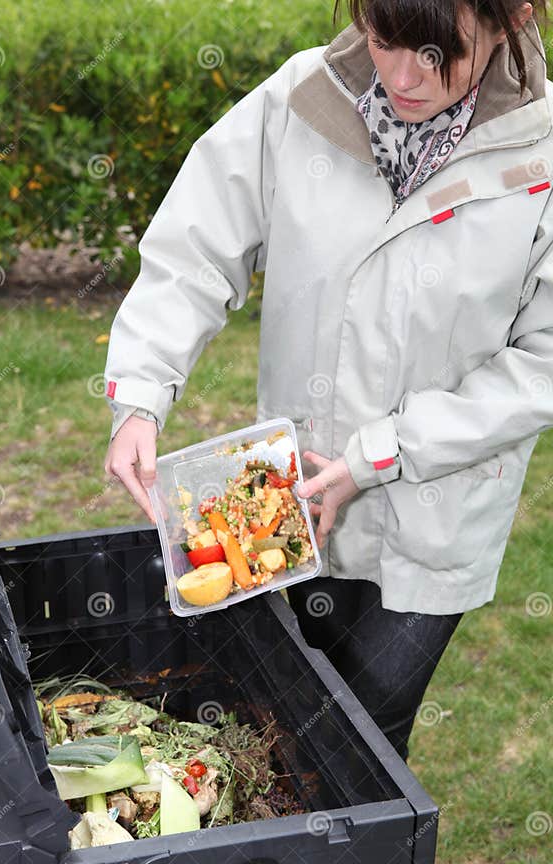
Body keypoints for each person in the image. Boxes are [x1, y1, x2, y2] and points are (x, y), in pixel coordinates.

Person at [104, 0, 553, 761]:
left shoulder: (539, 158)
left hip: (432, 520)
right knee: (275, 724)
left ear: (511, 17)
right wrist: (141, 392)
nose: (405, 76)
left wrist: (377, 457)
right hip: (291, 508)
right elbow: (195, 248)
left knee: (364, 754)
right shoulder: (299, 102)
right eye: (385, 41)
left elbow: (539, 364)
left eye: (441, 54)